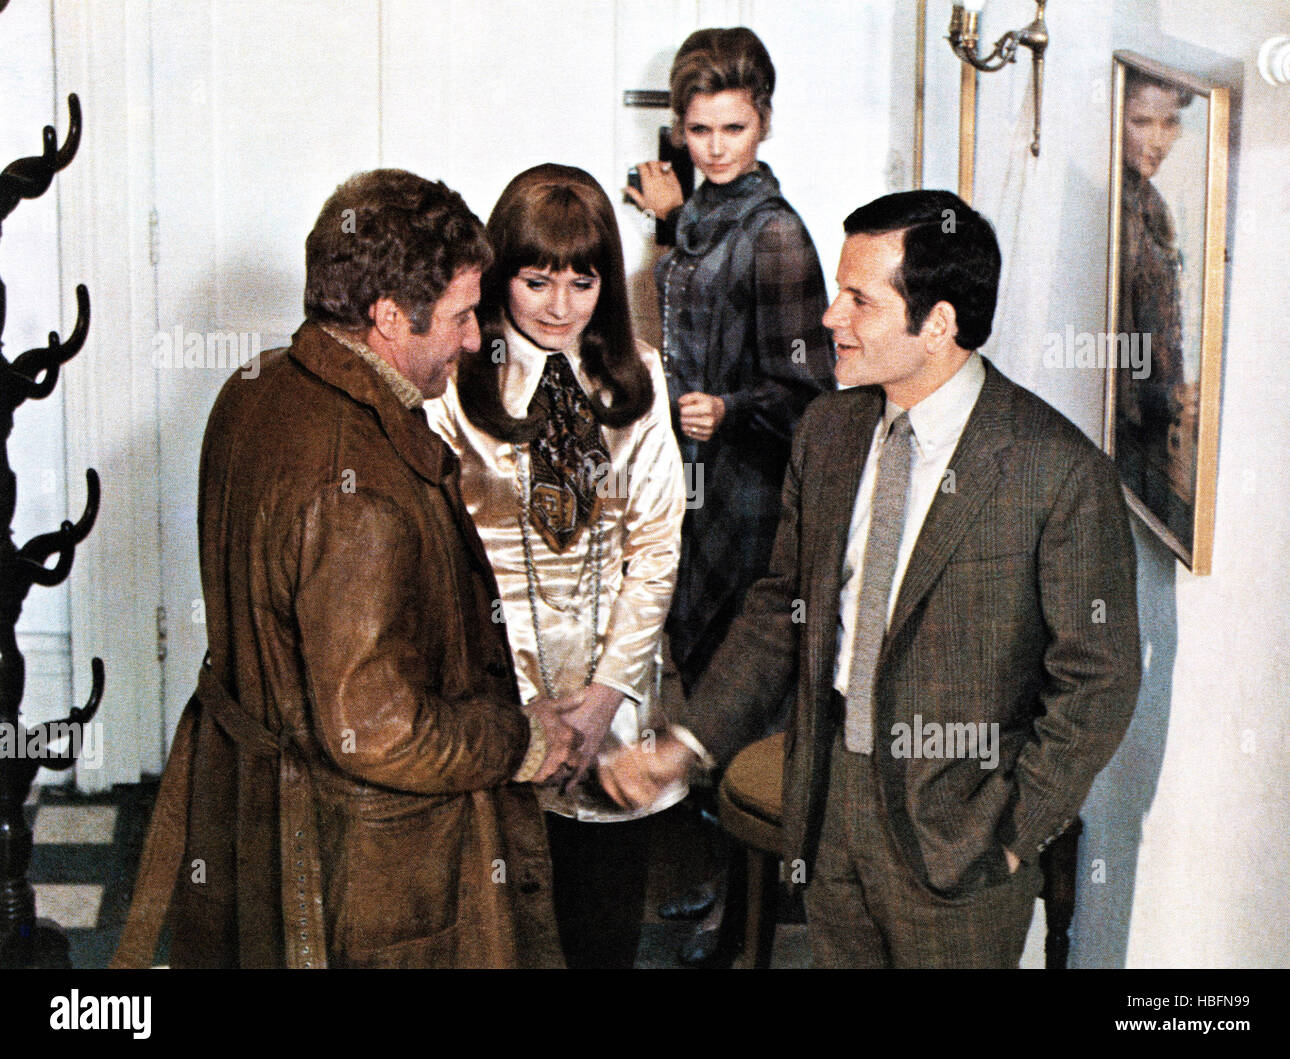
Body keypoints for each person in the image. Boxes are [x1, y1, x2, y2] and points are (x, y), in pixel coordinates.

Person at [600, 190, 1142, 968]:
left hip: (962, 842)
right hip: (829, 808)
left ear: (940, 324)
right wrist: (690, 738)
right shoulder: (828, 432)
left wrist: (1015, 834)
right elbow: (777, 610)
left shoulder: (1057, 473)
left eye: (859, 298)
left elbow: (1098, 676)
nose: (829, 317)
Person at [113, 169, 575, 969]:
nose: (474, 339)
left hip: (251, 825)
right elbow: (379, 730)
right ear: (389, 317)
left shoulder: (252, 388)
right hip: (366, 867)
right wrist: (520, 740)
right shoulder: (356, 489)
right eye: (463, 315)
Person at [425, 164, 686, 968]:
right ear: (501, 274)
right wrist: (526, 712)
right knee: (498, 930)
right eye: (537, 281)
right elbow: (441, 558)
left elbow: (657, 548)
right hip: (498, 698)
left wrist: (604, 699)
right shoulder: (453, 387)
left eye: (582, 280)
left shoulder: (638, 377)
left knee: (601, 931)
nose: (560, 305)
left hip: (610, 700)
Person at [624, 26, 836, 958]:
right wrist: (670, 227)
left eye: (733, 128)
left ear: (765, 122)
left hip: (750, 498)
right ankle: (717, 886)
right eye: (700, 128)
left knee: (737, 698)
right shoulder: (704, 210)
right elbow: (695, 295)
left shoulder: (778, 232)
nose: (715, 147)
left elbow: (815, 394)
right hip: (696, 490)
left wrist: (734, 406)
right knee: (699, 682)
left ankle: (745, 913)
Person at [1115, 68, 1197, 538]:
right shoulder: (1115, 204)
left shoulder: (1152, 202)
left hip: (1155, 415)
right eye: (1141, 122)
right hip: (1127, 421)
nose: (1157, 140)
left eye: (1168, 124)